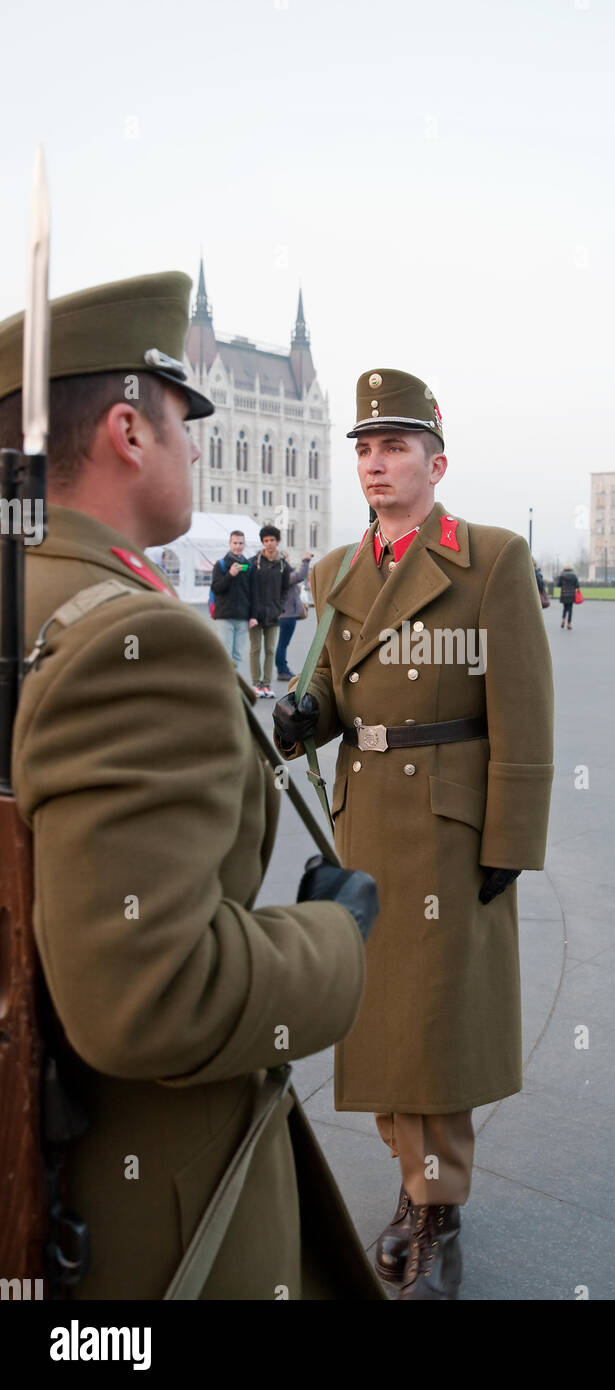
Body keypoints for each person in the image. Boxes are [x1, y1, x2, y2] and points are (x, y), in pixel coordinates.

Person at [0, 272, 384, 1300]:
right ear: (128, 430)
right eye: (185, 418)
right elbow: (152, 995)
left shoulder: (24, 590)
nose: (199, 445)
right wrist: (330, 942)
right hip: (129, 1206)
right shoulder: (134, 638)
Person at [273, 368, 554, 1300]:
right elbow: (342, 701)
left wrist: (510, 838)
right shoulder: (335, 572)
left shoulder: (491, 558)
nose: (375, 463)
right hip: (369, 825)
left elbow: (523, 709)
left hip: (448, 824)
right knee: (386, 1018)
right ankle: (414, 1186)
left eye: (393, 446)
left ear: (436, 461)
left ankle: (434, 1212)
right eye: (362, 447)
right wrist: (299, 717)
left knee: (438, 1024)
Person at [249, 524, 290, 697]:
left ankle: (266, 684)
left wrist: (280, 607)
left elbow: (285, 589)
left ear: (277, 541)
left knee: (270, 650)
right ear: (262, 542)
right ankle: (256, 684)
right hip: (255, 614)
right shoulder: (253, 563)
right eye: (266, 540)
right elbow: (247, 589)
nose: (269, 543)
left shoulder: (283, 566)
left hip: (273, 614)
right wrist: (250, 613)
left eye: (272, 540)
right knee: (255, 649)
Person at [211, 528, 256, 670]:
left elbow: (253, 593)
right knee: (225, 654)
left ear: (244, 545)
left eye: (241, 543)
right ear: (230, 544)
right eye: (235, 543)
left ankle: (234, 686)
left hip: (243, 617)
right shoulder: (221, 564)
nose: (238, 546)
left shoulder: (249, 567)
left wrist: (253, 616)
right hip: (224, 616)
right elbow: (216, 588)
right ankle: (222, 686)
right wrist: (230, 574)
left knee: (237, 655)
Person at [276, 549, 312, 680]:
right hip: (287, 614)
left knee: (283, 643)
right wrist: (306, 560)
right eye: (285, 558)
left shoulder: (282, 573)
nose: (287, 560)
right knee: (283, 643)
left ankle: (283, 668)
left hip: (287, 613)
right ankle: (282, 669)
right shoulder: (282, 574)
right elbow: (300, 576)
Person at [556, 564, 580, 629]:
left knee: (565, 608)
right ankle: (569, 624)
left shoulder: (562, 575)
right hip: (571, 594)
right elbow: (577, 585)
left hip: (564, 594)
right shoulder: (574, 576)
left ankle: (563, 620)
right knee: (570, 609)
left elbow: (558, 584)